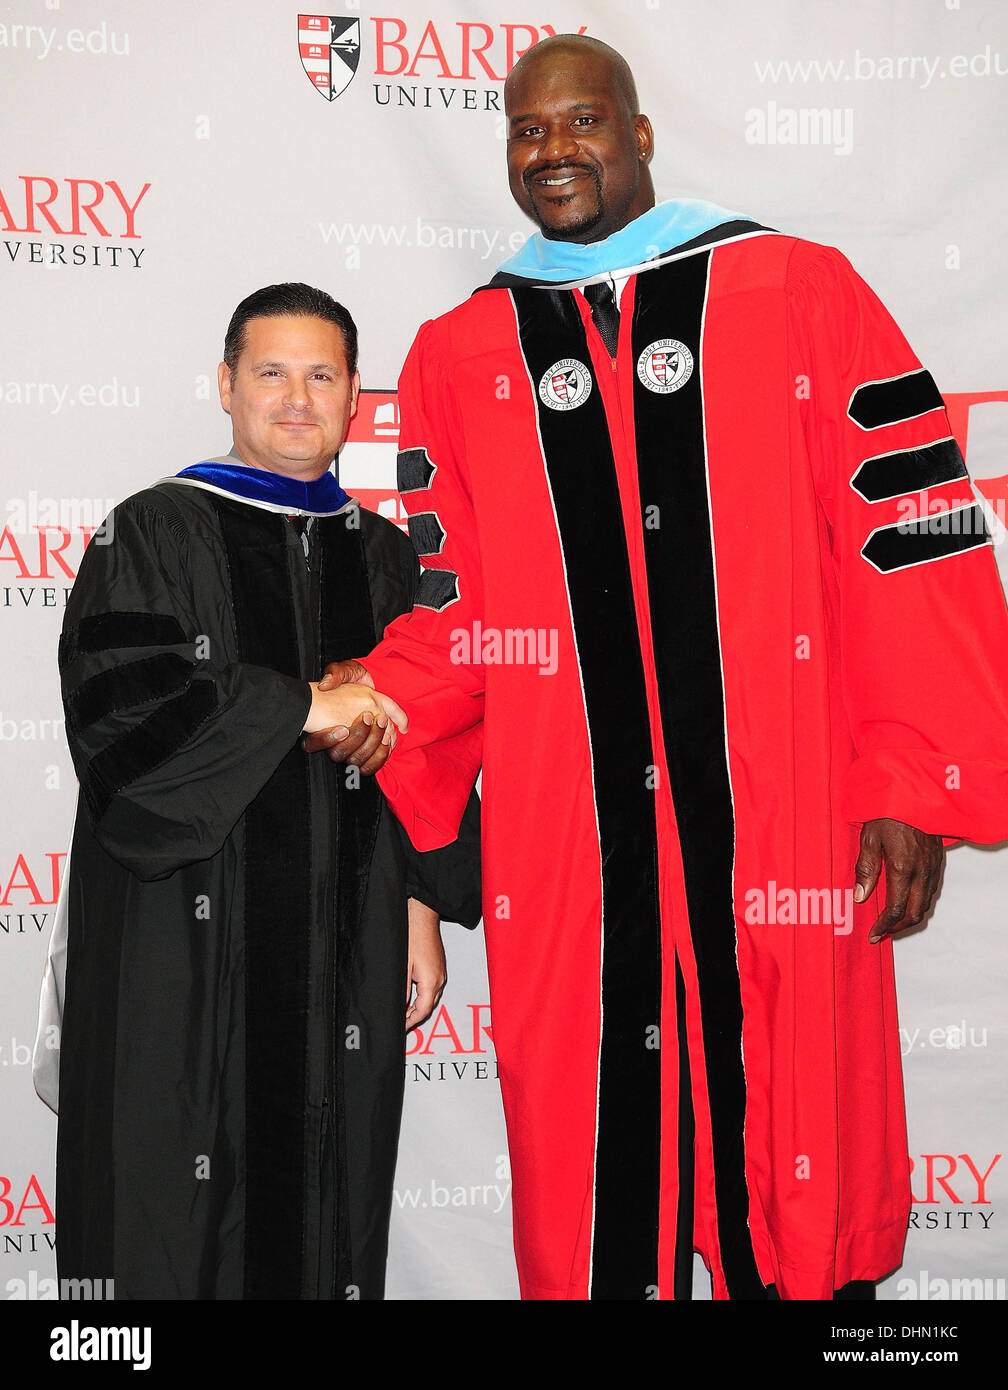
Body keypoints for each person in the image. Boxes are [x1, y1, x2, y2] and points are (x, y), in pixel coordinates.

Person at [304, 36, 1008, 1301]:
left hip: (779, 821)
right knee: (594, 1158)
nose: (554, 149)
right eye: (528, 130)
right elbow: (456, 605)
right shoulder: (468, 354)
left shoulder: (796, 291)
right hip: (574, 840)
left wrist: (904, 775)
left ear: (638, 134)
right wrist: (376, 696)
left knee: (785, 1149)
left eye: (583, 122)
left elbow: (915, 537)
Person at [50, 282, 481, 1300]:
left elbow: (431, 741)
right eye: (272, 373)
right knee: (171, 1202)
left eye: (321, 374)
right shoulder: (149, 531)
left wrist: (419, 902)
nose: (297, 398)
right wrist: (300, 708)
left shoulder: (386, 556)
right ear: (225, 386)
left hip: (348, 933)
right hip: (180, 936)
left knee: (328, 1192)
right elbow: (122, 720)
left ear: (353, 394)